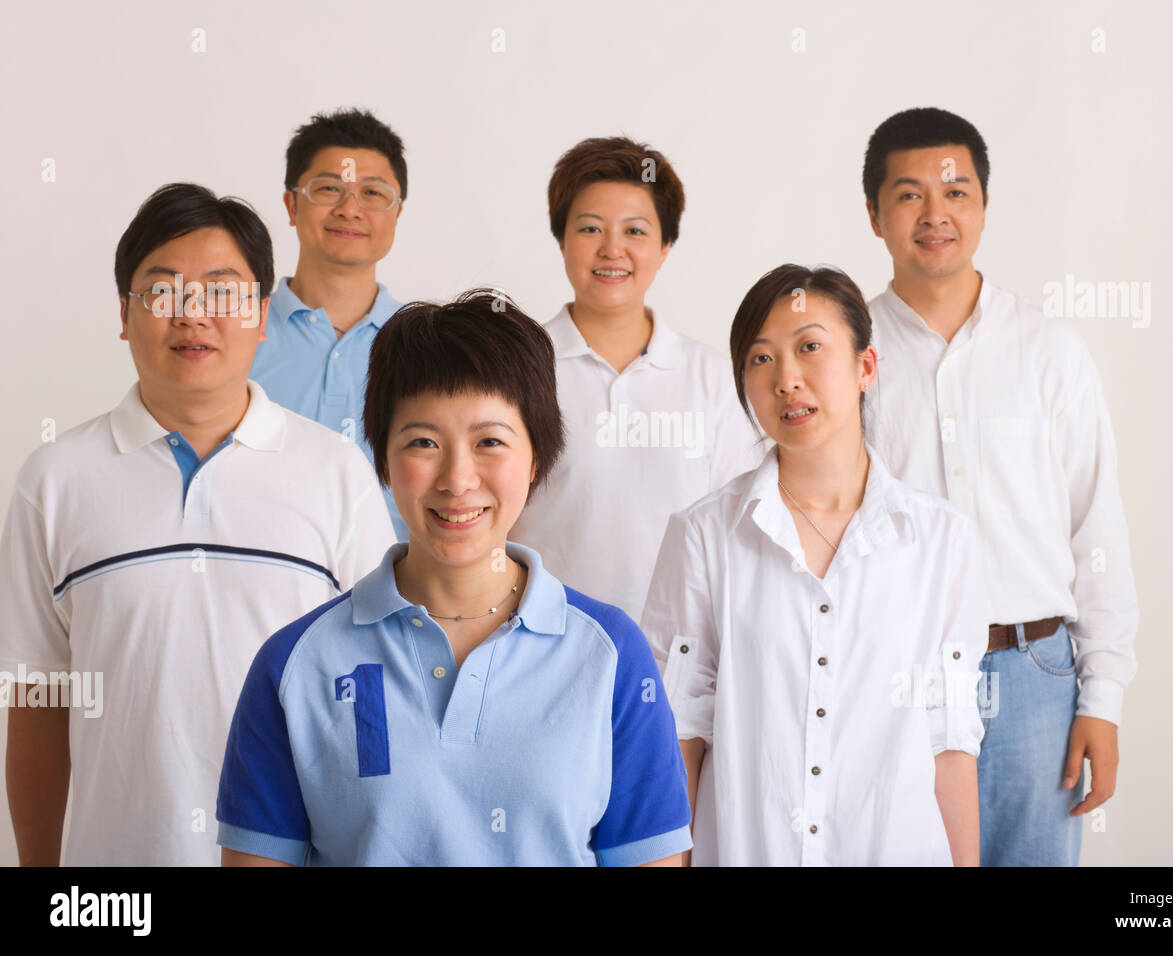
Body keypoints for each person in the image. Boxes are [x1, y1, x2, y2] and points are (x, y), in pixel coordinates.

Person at [215, 291, 693, 866]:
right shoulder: (294, 663)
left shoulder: (612, 656)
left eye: (489, 441)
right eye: (423, 443)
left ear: (537, 455)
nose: (457, 478)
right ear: (385, 461)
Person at [0, 183, 396, 866]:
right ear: (124, 315)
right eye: (162, 291)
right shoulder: (55, 481)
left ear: (263, 314)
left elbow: (371, 694)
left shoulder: (336, 473)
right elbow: (39, 705)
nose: (192, 315)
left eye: (222, 292)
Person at [860, 107, 1139, 866]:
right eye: (910, 194)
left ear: (983, 205)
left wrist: (1102, 698)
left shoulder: (1049, 350)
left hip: (1036, 676)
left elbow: (1096, 527)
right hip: (894, 675)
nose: (935, 214)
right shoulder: (847, 353)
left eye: (956, 191)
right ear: (875, 214)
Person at [640, 265, 987, 866]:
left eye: (810, 348)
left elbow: (950, 744)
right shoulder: (703, 536)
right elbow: (678, 738)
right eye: (760, 359)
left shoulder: (941, 541)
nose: (786, 379)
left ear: (866, 368)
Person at [509, 136, 766, 627]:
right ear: (561, 239)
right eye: (589, 228)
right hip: (541, 639)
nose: (612, 249)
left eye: (635, 230)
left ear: (664, 247)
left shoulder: (712, 377)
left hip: (684, 654)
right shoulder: (517, 367)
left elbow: (742, 526)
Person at [250, 107, 408, 538]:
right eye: (328, 189)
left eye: (372, 193)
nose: (349, 209)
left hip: (397, 598)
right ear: (291, 203)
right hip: (260, 592)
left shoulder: (428, 344)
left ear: (397, 212)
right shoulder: (235, 336)